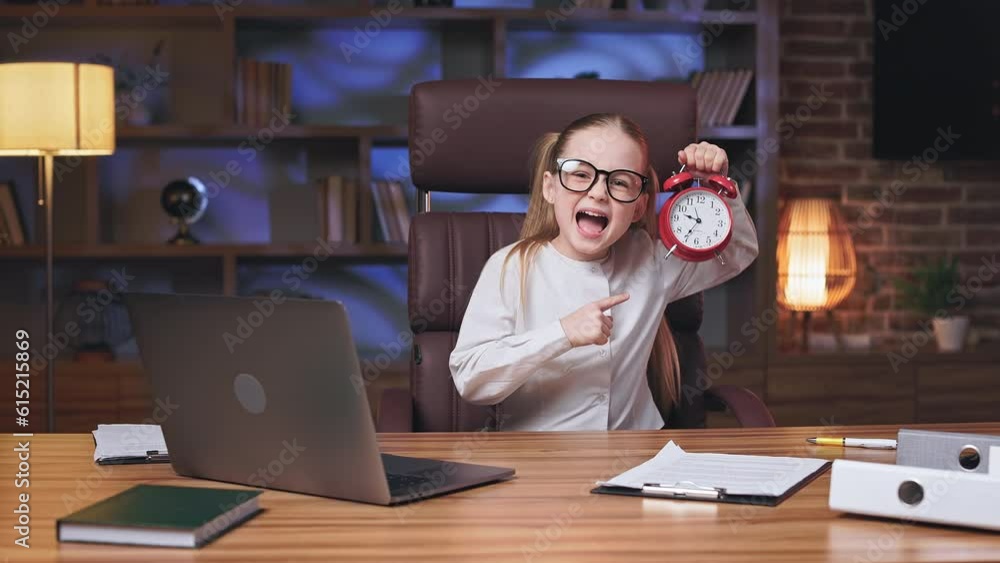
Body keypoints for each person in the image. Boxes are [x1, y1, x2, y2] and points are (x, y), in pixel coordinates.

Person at [449, 113, 759, 431]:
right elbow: (471, 379)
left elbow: (739, 251)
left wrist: (718, 186)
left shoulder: (651, 261)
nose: (598, 193)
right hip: (540, 451)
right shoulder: (511, 267)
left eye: (620, 182)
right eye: (580, 174)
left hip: (636, 449)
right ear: (550, 188)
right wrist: (562, 334)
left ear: (638, 207)